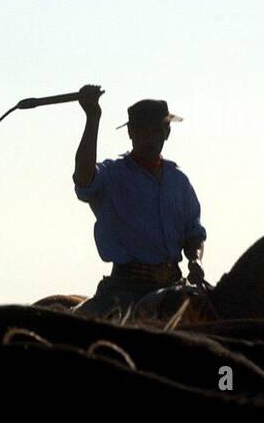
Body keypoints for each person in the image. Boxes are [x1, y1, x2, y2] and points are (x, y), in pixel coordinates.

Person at [72, 84, 206, 318]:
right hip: (124, 290)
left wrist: (195, 259)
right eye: (142, 131)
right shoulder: (112, 175)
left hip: (173, 287)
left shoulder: (179, 182)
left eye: (156, 131)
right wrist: (93, 118)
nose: (150, 138)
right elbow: (84, 179)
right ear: (131, 133)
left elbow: (193, 232)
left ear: (167, 132)